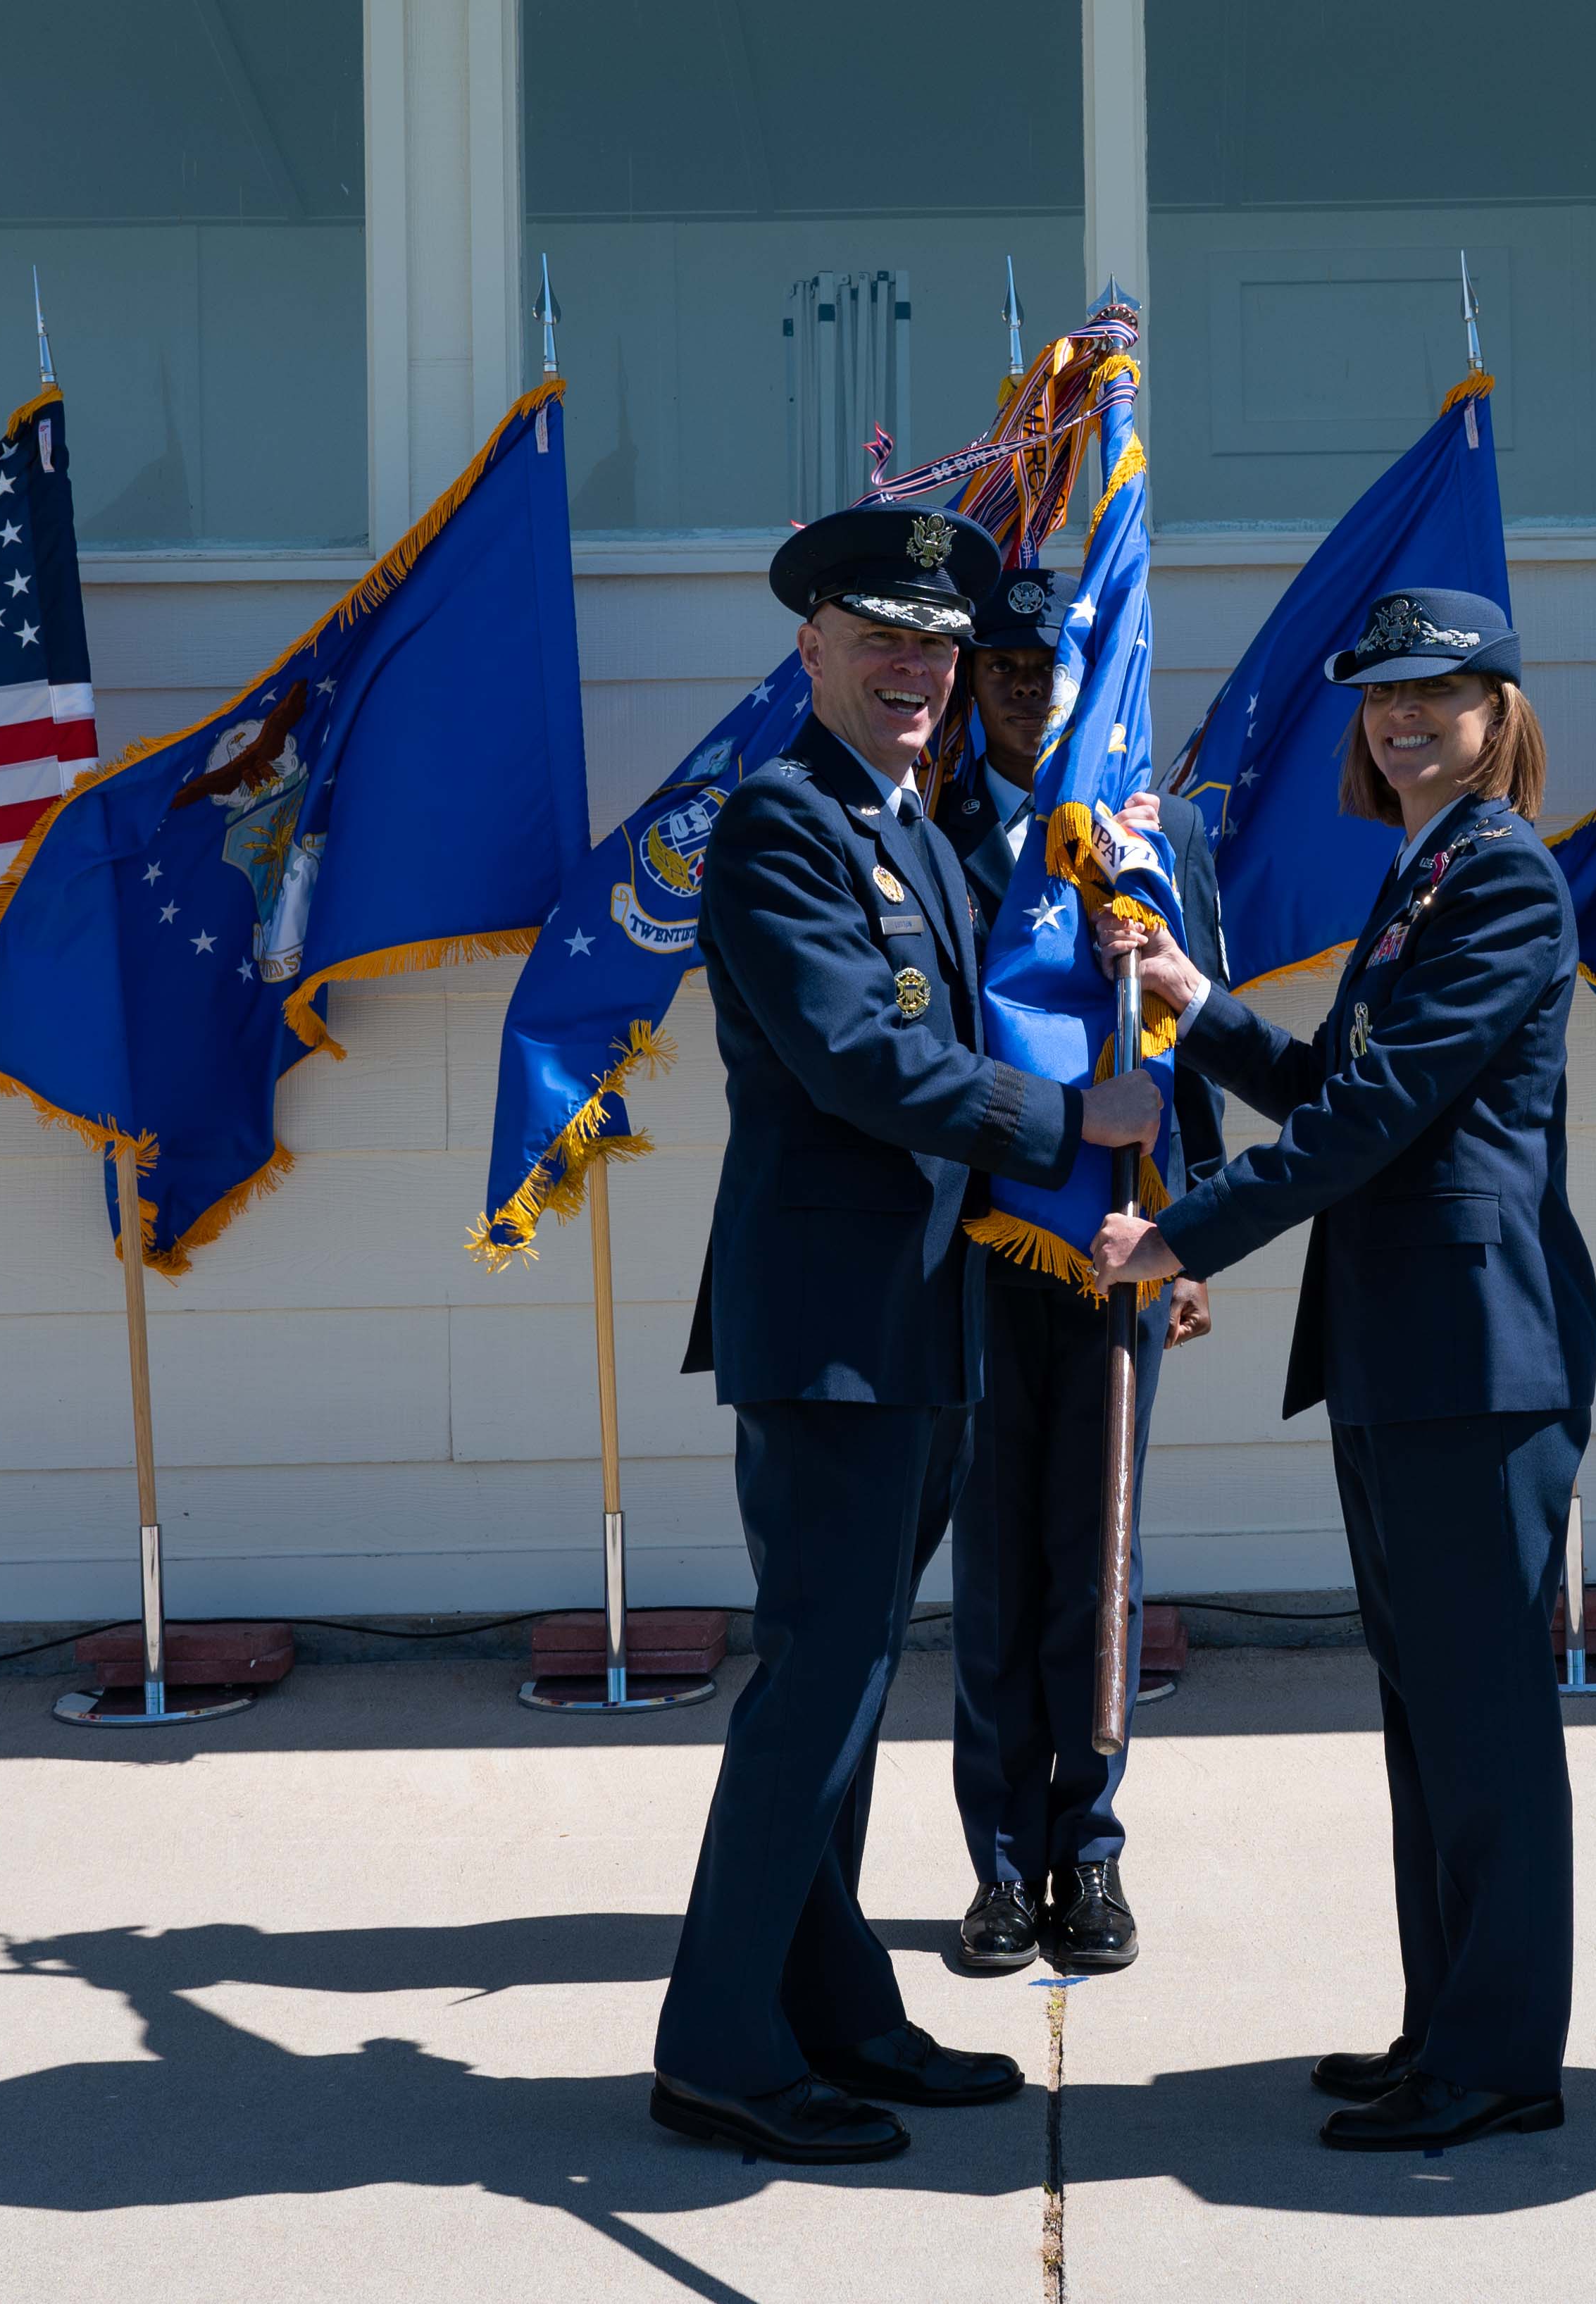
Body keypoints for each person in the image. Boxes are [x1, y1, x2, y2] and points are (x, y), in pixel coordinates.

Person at [652, 504, 1167, 2167]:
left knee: (853, 1689)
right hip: (830, 1335)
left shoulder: (918, 833)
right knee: (816, 1687)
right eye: (879, 639)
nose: (916, 669)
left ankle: (835, 2012)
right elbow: (856, 1062)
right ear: (809, 650)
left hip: (913, 1325)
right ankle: (722, 2044)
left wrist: (1116, 901)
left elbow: (997, 990)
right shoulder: (782, 830)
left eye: (937, 647)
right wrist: (1071, 1112)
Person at [1092, 586, 1596, 2154]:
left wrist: (1181, 1235)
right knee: (1430, 1711)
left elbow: (1371, 1118)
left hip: (1471, 1353)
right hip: (1407, 1347)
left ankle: (1499, 2056)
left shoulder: (1500, 877)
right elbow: (1336, 1079)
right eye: (1380, 698)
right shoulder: (1423, 873)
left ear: (1497, 714)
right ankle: (1444, 2024)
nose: (1399, 719)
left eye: (1436, 697)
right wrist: (1193, 1002)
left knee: (1484, 1721)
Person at [933, 570, 1233, 1979]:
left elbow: (1197, 1026)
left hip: (1122, 1240)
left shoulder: (1146, 828)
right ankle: (1000, 1865)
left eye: (1046, 661)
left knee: (1096, 1555)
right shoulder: (933, 832)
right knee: (998, 1563)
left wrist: (1198, 1230)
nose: (1017, 681)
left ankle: (1090, 1855)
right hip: (982, 1245)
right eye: (993, 657)